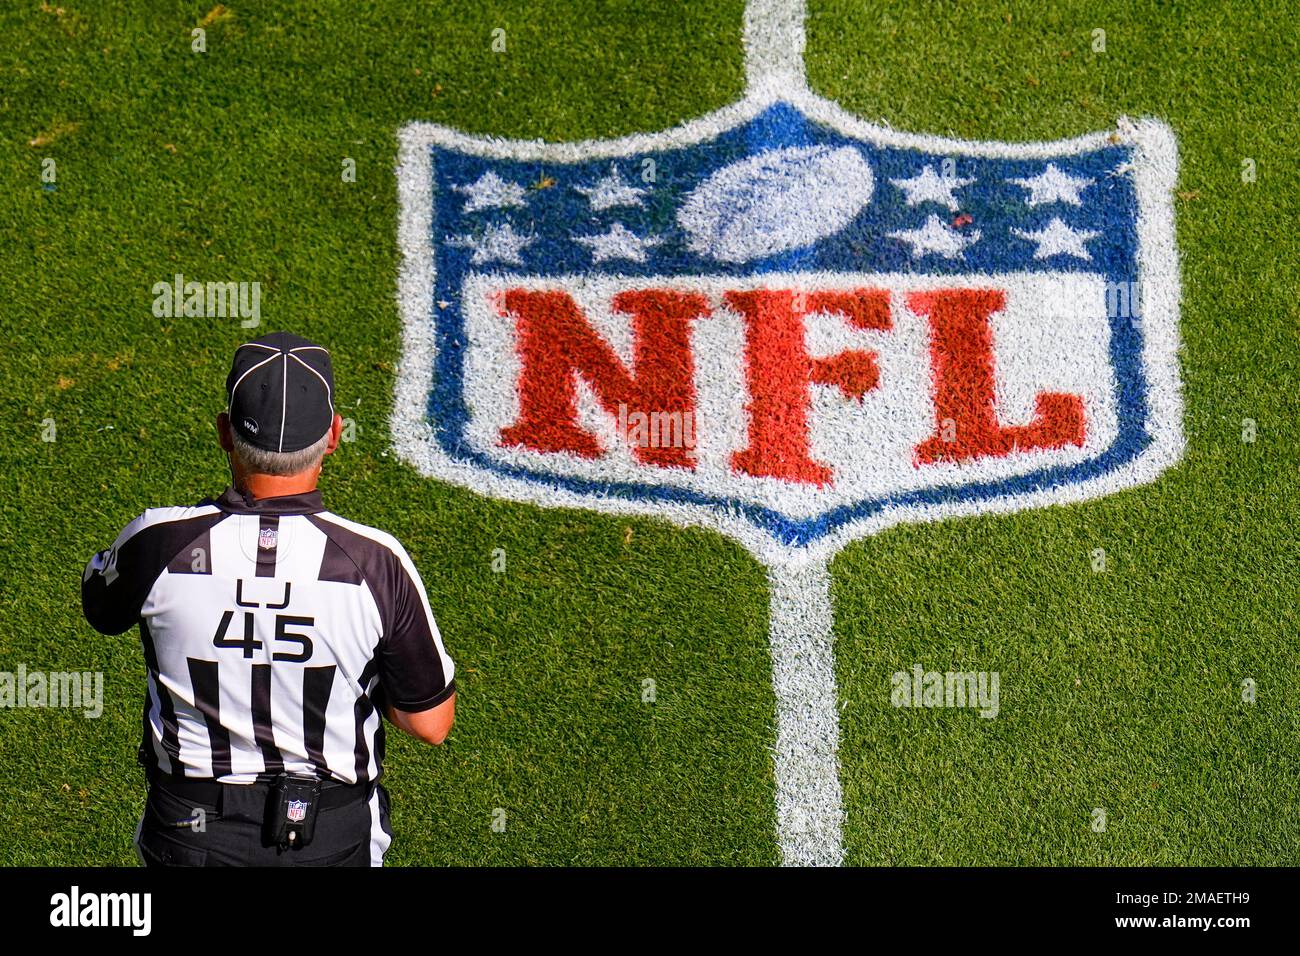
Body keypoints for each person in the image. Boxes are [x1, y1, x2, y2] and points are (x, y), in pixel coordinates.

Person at [80, 330, 456, 866]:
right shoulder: (376, 562)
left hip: (191, 829)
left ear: (224, 433)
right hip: (328, 835)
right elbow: (430, 723)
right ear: (333, 435)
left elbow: (101, 608)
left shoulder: (158, 541)